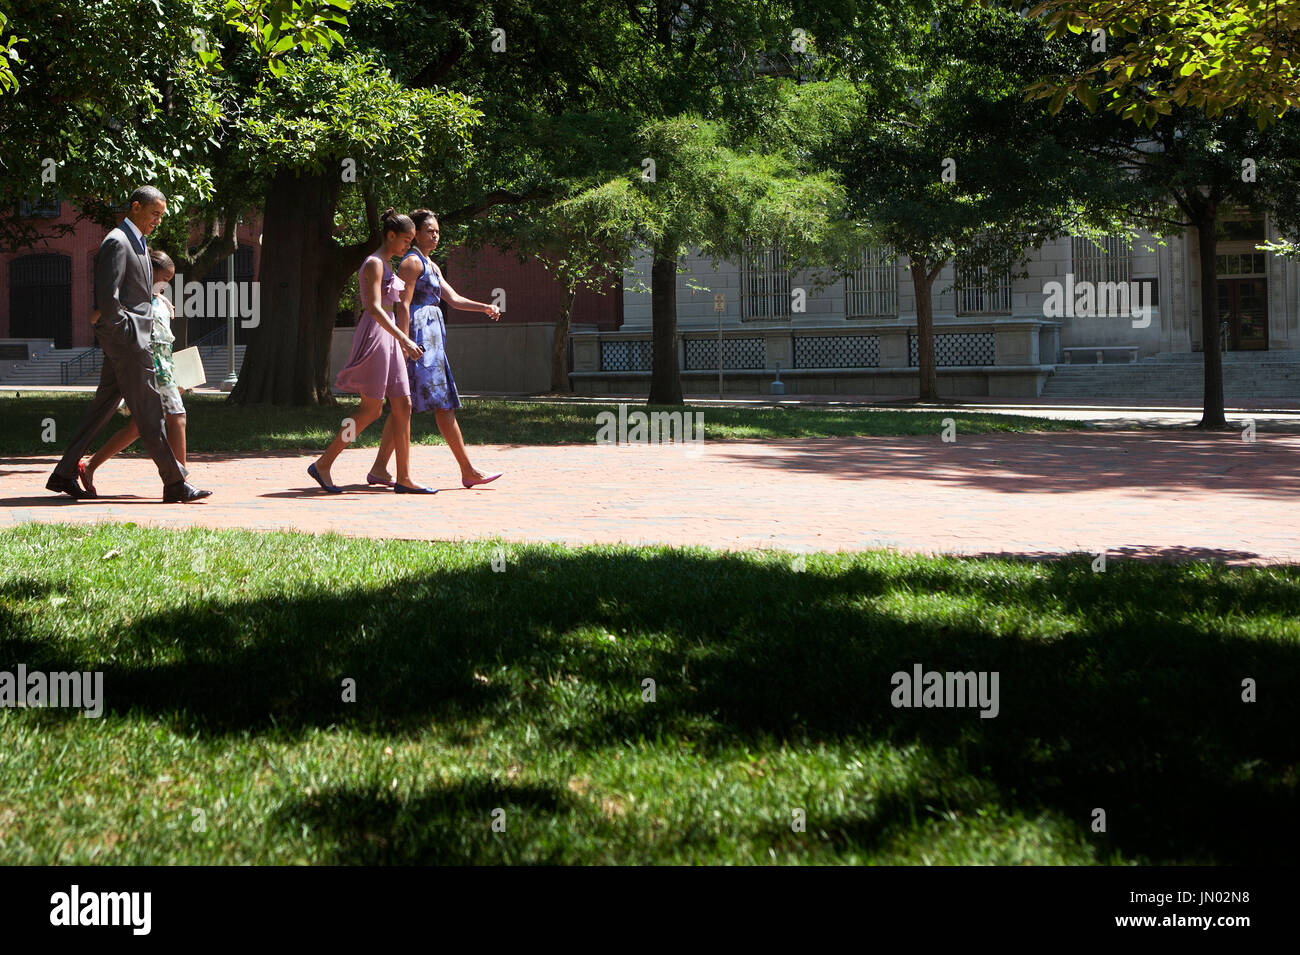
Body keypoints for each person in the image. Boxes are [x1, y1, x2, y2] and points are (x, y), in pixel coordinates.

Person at [45, 186, 210, 503]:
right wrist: (127, 335)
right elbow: (108, 297)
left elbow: (136, 292)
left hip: (129, 342)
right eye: (154, 214)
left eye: (161, 215)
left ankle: (64, 474)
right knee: (149, 412)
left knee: (101, 412)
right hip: (130, 343)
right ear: (135, 207)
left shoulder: (138, 241)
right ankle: (174, 483)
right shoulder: (117, 242)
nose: (157, 221)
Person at [367, 209, 503, 490]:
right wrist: (404, 342)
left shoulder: (431, 264)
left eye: (438, 231)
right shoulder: (412, 263)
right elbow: (401, 305)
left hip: (431, 338)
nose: (436, 235)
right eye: (430, 230)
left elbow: (452, 299)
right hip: (418, 338)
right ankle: (468, 470)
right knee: (439, 402)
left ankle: (380, 468)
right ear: (415, 233)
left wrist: (484, 307)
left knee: (405, 403)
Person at [308, 209, 433, 494]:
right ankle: (324, 464)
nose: (407, 245)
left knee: (403, 406)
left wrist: (401, 339)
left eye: (411, 240)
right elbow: (375, 308)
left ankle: (404, 477)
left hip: (390, 334)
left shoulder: (388, 264)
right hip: (378, 334)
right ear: (390, 236)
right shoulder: (374, 263)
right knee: (371, 409)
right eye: (405, 239)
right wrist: (404, 338)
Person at [79, 250, 187, 493]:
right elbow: (94, 318)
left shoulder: (159, 299)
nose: (166, 284)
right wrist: (118, 306)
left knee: (138, 427)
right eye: (164, 278)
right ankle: (179, 482)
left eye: (169, 280)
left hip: (164, 368)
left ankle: (89, 466)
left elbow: (163, 341)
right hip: (146, 367)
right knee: (177, 417)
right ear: (150, 273)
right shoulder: (130, 297)